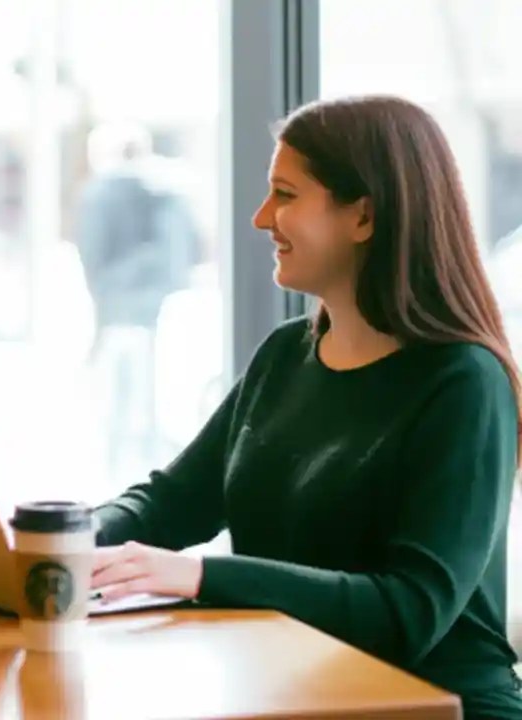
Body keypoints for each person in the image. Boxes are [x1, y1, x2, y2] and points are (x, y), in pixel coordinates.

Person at [87, 96, 522, 718]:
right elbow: (171, 502)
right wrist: (67, 537)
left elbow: (408, 611)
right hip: (295, 693)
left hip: (434, 707)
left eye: (286, 194)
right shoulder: (287, 355)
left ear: (364, 216)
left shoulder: (464, 384)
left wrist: (200, 577)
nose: (263, 218)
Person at [74, 121, 200, 477]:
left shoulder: (99, 195)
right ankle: (145, 465)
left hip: (117, 309)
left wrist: (100, 312)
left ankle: (117, 467)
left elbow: (92, 255)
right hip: (159, 308)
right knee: (149, 395)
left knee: (118, 396)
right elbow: (189, 249)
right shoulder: (167, 194)